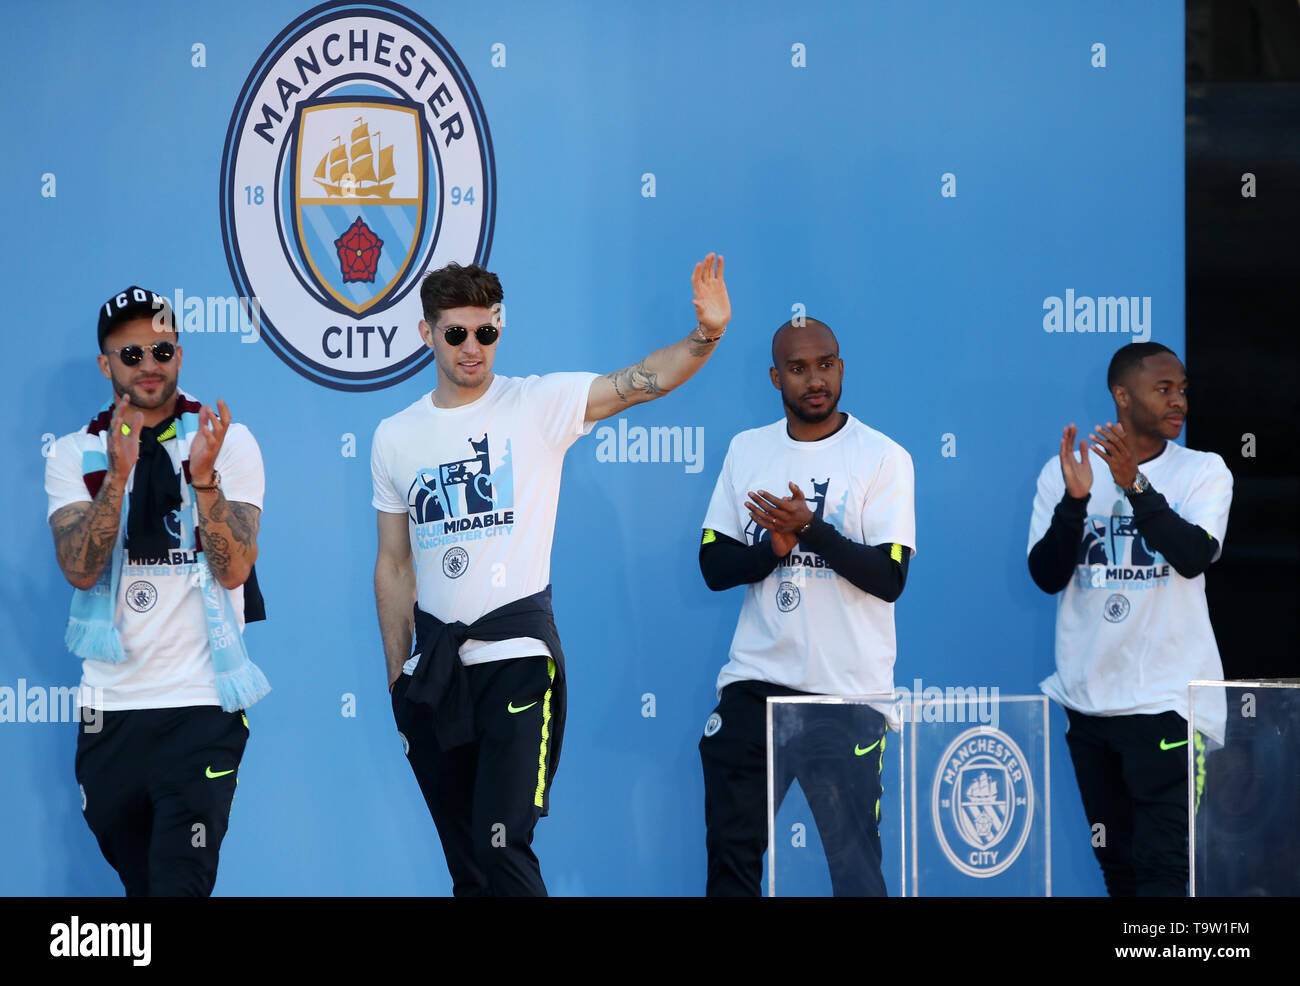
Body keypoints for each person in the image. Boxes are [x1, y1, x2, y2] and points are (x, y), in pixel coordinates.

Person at [372, 253, 731, 896]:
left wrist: (705, 336)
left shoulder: (539, 402)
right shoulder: (394, 437)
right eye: (456, 333)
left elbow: (641, 381)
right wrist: (398, 679)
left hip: (518, 658)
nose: (473, 347)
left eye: (487, 331)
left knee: (502, 841)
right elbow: (394, 564)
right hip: (438, 678)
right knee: (468, 868)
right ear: (427, 333)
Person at [44, 285, 269, 897]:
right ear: (105, 364)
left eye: (162, 350)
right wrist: (117, 477)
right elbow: (80, 568)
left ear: (179, 352)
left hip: (202, 710)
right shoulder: (73, 454)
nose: (149, 366)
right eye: (131, 353)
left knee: (179, 885)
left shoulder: (226, 442)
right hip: (111, 713)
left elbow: (235, 569)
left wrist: (203, 481)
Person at [697, 317, 915, 897]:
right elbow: (714, 567)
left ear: (841, 368)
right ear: (775, 377)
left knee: (856, 874)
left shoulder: (883, 457)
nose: (814, 379)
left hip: (845, 695)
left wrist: (813, 530)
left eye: (825, 365)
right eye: (797, 369)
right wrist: (773, 548)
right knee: (731, 863)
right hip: (754, 686)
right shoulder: (748, 450)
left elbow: (890, 577)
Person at [1027, 341, 1232, 897]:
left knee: (1163, 869)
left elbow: (1191, 556)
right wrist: (1074, 504)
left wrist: (1134, 486)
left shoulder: (1204, 471)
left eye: (1182, 389)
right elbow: (1046, 575)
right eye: (1163, 389)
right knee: (1117, 869)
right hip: (1089, 704)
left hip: (1171, 703)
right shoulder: (1065, 472)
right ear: (1122, 395)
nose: (1179, 401)